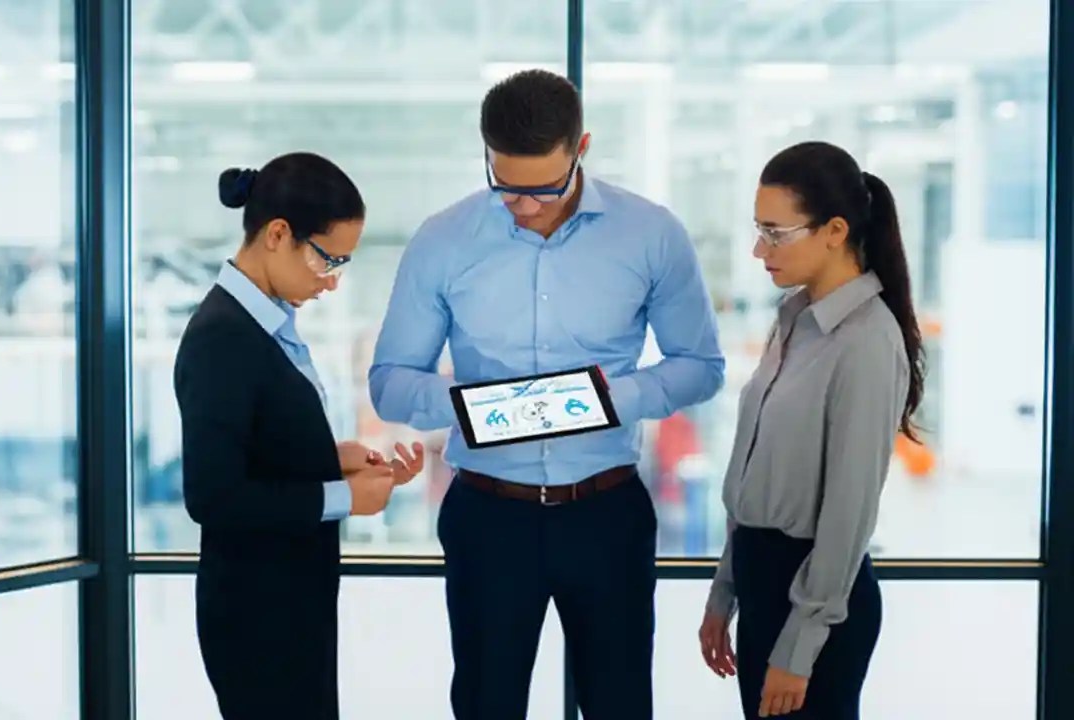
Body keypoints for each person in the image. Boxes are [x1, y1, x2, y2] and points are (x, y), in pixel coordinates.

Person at [369, 69, 725, 719]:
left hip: (606, 513)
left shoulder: (651, 235)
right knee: (485, 704)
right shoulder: (443, 240)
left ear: (580, 148)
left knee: (619, 704)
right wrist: (485, 410)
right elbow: (390, 383)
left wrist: (609, 398)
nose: (526, 204)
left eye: (545, 187)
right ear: (485, 154)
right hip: (487, 517)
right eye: (506, 187)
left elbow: (700, 365)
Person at [174, 151, 425, 720]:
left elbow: (257, 446)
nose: (332, 282)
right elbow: (212, 496)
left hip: (290, 602)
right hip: (256, 614)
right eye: (326, 259)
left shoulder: (269, 323)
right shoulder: (223, 338)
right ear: (277, 234)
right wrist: (344, 499)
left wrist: (334, 460)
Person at [698, 140, 924, 719]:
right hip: (762, 580)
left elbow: (848, 514)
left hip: (815, 598)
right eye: (758, 230)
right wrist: (725, 590)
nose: (758, 249)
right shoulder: (794, 320)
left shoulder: (867, 341)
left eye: (776, 233)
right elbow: (752, 475)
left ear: (834, 230)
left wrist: (799, 649)